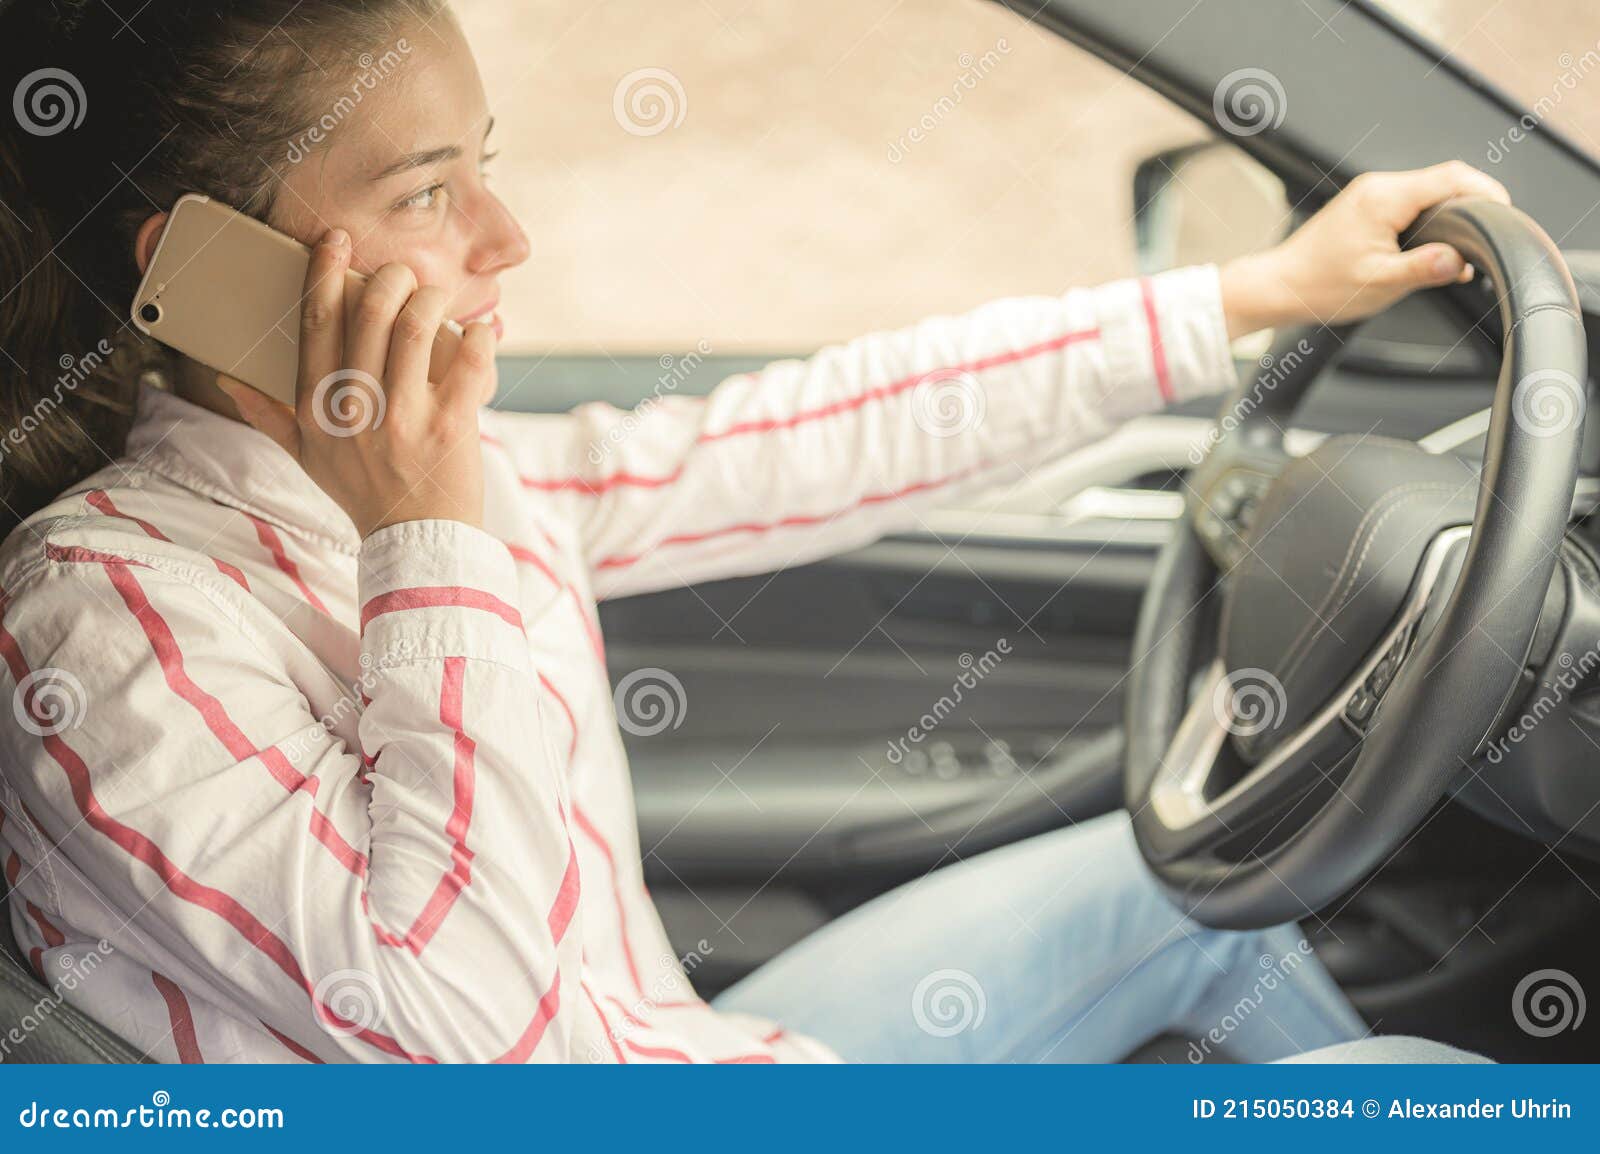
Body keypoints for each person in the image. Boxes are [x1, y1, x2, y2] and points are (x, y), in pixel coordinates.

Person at [0, 0, 1494, 1064]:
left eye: (487, 161)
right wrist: (425, 541)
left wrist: (1251, 298)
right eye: (430, 188)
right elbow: (472, 1031)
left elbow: (821, 432)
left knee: (1196, 897)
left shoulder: (457, 476)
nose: (505, 236)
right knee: (1443, 1103)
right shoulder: (96, 617)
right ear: (207, 267)